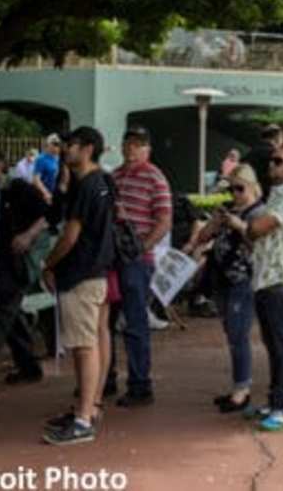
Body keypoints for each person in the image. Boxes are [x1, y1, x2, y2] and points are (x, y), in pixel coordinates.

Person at [225, 145, 283, 431]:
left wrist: (241, 225)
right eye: (271, 160)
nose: (271, 165)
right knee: (273, 345)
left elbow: (257, 229)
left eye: (278, 161)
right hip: (263, 277)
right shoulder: (275, 196)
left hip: (280, 279)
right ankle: (275, 399)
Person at [40, 127, 115, 446]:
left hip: (81, 274)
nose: (64, 150)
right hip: (96, 271)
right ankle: (88, 408)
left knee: (84, 348)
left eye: (70, 145)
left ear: (86, 149)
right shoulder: (101, 182)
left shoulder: (88, 185)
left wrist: (48, 263)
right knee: (94, 341)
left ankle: (83, 418)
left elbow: (70, 235)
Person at [186, 164, 267, 414]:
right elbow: (203, 238)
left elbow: (261, 247)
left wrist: (239, 226)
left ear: (252, 187)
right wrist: (215, 222)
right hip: (221, 278)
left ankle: (242, 389)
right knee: (232, 334)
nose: (235, 194)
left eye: (240, 189)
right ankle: (238, 385)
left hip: (242, 280)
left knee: (238, 334)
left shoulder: (259, 213)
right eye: (231, 189)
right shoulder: (231, 210)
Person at [110, 126, 172, 407]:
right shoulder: (114, 177)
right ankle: (105, 377)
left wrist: (142, 247)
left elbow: (164, 221)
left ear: (148, 149)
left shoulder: (155, 177)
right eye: (129, 144)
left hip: (136, 261)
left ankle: (139, 384)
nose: (133, 149)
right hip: (113, 258)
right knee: (106, 322)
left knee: (135, 323)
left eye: (139, 145)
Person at [0, 148, 49, 389]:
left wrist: (28, 236)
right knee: (11, 315)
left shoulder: (18, 190)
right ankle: (29, 366)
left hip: (15, 265)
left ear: (0, 165)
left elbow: (47, 214)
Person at [244, 124, 283, 201]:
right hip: (259, 198)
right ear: (277, 138)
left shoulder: (251, 151)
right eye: (282, 138)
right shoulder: (274, 155)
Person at [29, 134, 62, 207]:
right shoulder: (41, 159)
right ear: (48, 145)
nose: (56, 147)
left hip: (57, 194)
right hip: (45, 195)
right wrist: (46, 193)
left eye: (58, 144)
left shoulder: (59, 158)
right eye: (54, 144)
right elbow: (36, 179)